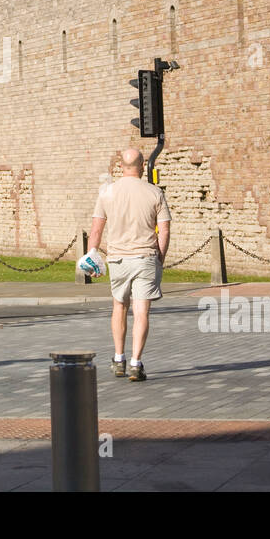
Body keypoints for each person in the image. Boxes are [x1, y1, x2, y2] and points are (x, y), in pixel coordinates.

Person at [88, 148, 170, 381]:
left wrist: (90, 259)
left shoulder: (107, 193)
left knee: (119, 307)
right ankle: (136, 362)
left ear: (120, 166)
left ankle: (119, 358)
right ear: (143, 165)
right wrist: (160, 257)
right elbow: (164, 229)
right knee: (141, 311)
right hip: (145, 257)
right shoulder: (155, 192)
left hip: (118, 259)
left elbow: (96, 230)